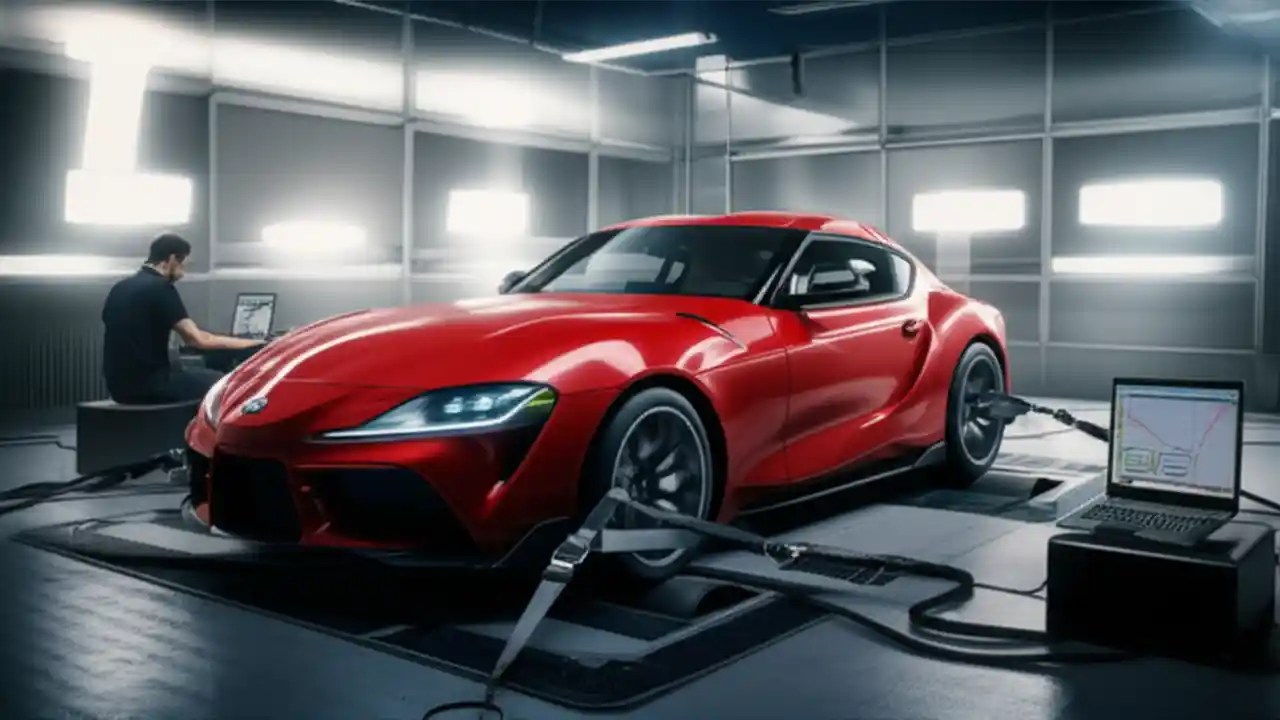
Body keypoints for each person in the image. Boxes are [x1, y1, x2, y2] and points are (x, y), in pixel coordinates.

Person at [102, 233, 263, 404]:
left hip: (118, 388)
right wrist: (258, 344)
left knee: (192, 374)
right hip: (152, 386)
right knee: (228, 383)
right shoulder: (160, 288)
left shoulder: (120, 287)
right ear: (172, 259)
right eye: (183, 266)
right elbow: (198, 340)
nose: (182, 274)